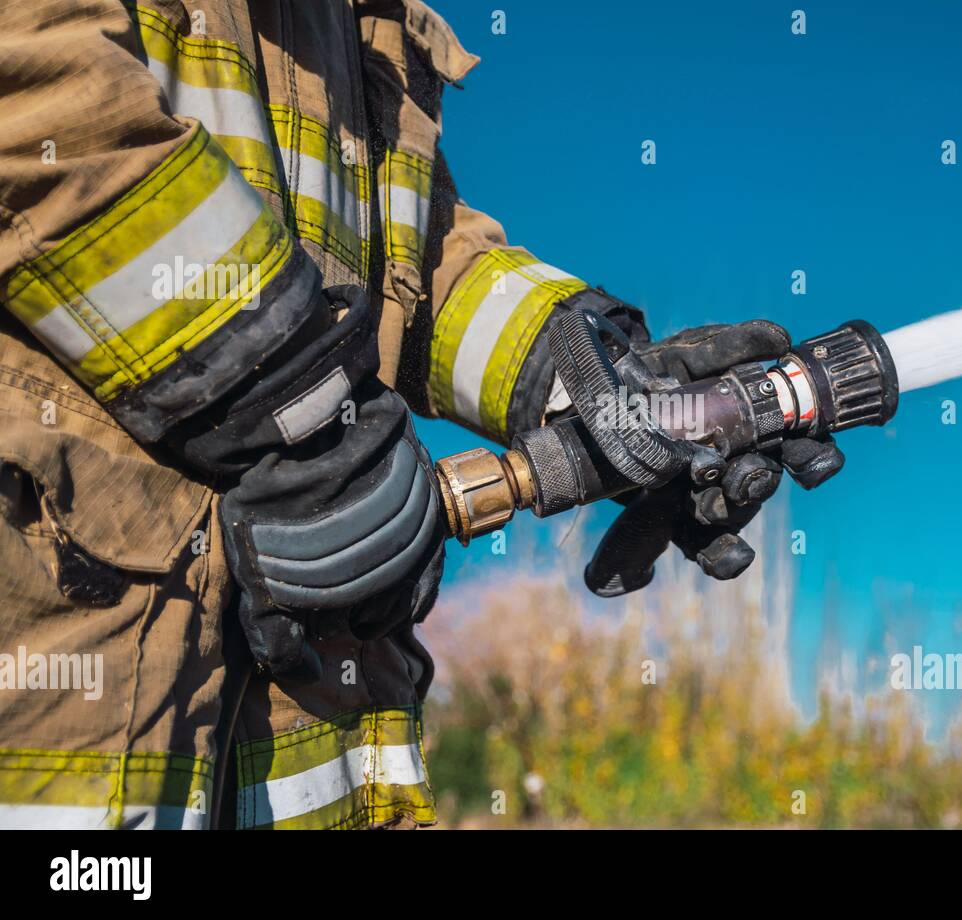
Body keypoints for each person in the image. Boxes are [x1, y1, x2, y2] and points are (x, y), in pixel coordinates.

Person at [0, 0, 841, 829]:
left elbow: (417, 265)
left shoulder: (358, 27)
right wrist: (289, 398)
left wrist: (574, 369)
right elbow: (43, 96)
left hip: (316, 718)